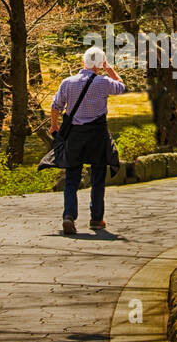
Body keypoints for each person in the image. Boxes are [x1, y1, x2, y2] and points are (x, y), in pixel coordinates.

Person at [50, 46, 126, 234]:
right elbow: (122, 87)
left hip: (75, 135)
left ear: (83, 62)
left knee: (71, 178)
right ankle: (96, 219)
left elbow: (55, 106)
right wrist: (109, 69)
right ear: (100, 65)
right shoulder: (104, 82)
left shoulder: (67, 82)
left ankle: (69, 216)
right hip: (97, 137)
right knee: (98, 177)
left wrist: (54, 126)